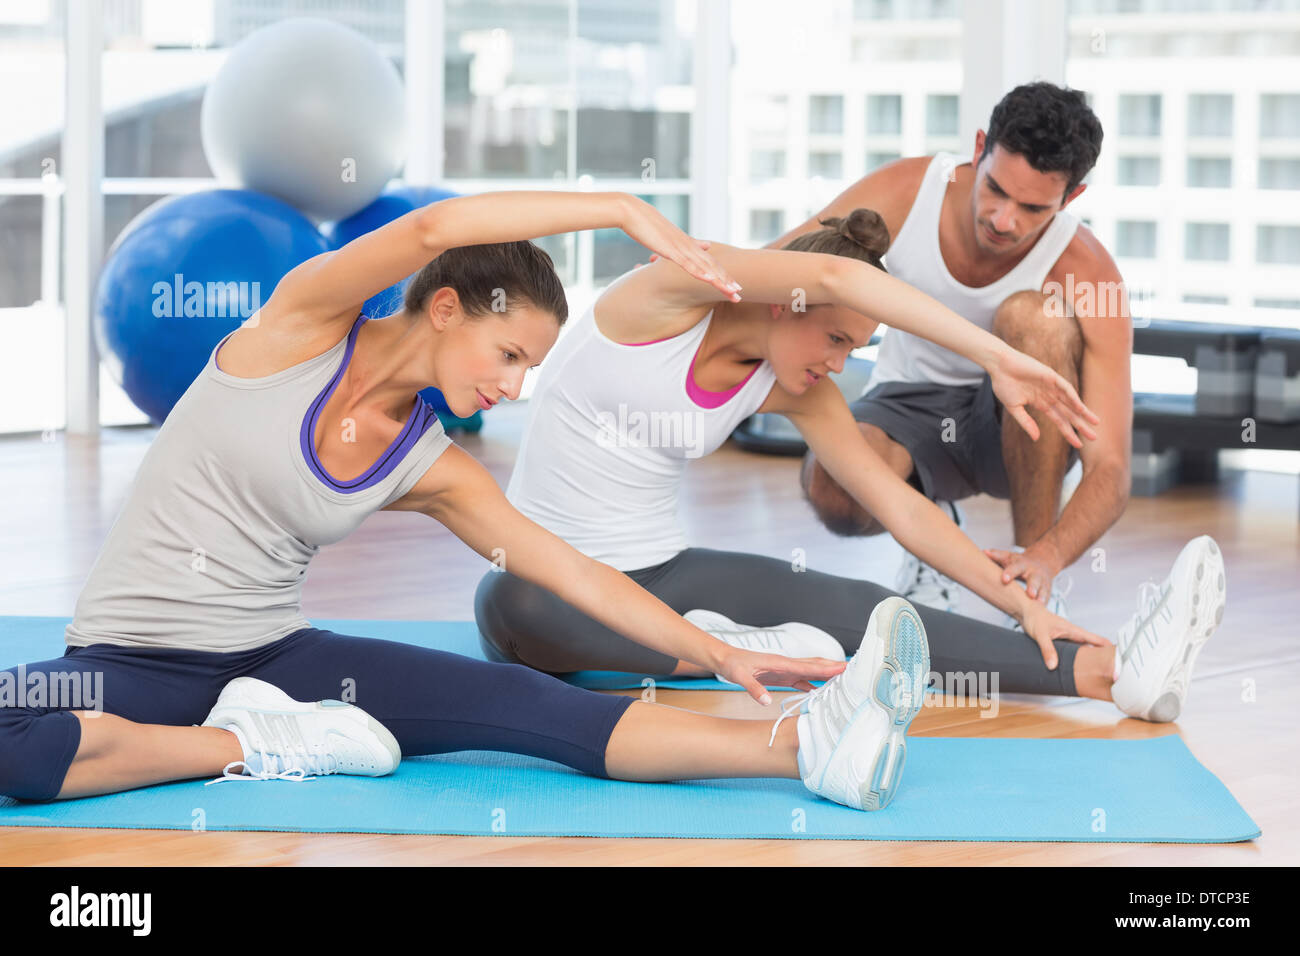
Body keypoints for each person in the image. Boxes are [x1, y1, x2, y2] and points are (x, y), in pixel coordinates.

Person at [1, 190, 948, 814]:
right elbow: (425, 233)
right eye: (510, 356)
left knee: (521, 703)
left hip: (278, 655)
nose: (518, 385)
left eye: (531, 368)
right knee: (14, 743)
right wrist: (616, 207)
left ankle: (805, 752)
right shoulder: (295, 330)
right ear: (447, 308)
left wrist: (718, 652)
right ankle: (245, 740)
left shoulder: (431, 462)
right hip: (130, 657)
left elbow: (567, 568)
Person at [475, 208, 1226, 723]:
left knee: (857, 603)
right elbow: (836, 279)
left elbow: (903, 511)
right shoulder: (668, 295)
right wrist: (995, 357)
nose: (839, 364)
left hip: (664, 576)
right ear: (784, 302)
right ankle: (732, 648)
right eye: (835, 339)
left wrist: (1025, 602)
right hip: (550, 584)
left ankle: (1112, 674)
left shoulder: (797, 385)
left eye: (854, 350)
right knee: (512, 608)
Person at [785, 82, 1131, 628]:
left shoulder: (1088, 272)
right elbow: (788, 264)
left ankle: (1031, 589)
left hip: (1017, 431)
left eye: (1032, 207)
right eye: (995, 188)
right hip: (908, 404)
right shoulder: (908, 191)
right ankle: (937, 530)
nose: (1003, 219)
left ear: (1072, 199)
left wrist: (1049, 557)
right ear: (978, 149)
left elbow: (1111, 465)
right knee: (835, 496)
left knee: (1032, 317)